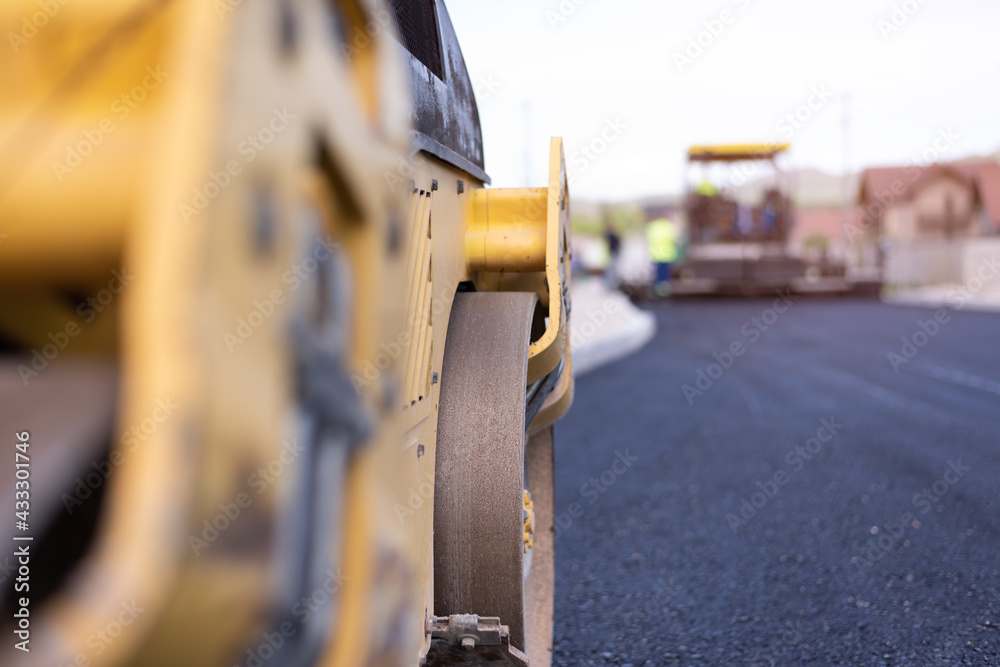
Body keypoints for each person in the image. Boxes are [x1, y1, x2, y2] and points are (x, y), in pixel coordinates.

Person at [646, 217, 678, 297]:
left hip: (656, 255)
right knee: (665, 275)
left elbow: (648, 240)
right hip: (667, 255)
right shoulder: (668, 227)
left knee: (657, 274)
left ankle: (656, 292)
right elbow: (675, 240)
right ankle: (664, 292)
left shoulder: (652, 227)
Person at [604, 222, 621, 289]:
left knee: (611, 272)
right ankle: (611, 285)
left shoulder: (611, 237)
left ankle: (611, 286)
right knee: (611, 271)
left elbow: (617, 246)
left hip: (611, 255)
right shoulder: (610, 237)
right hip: (610, 256)